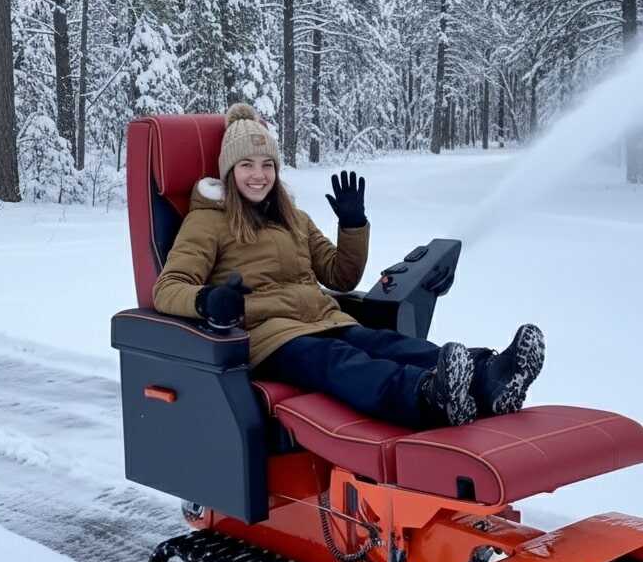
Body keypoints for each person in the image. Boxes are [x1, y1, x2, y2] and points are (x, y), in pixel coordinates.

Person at [152, 102, 545, 431]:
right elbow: (168, 288)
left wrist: (352, 225)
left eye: (267, 165)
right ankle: (426, 397)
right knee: (341, 360)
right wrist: (209, 300)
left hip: (323, 320)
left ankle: (490, 376)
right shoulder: (207, 221)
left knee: (388, 344)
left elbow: (340, 276)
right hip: (269, 338)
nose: (259, 175)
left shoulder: (294, 218)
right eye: (247, 165)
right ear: (229, 171)